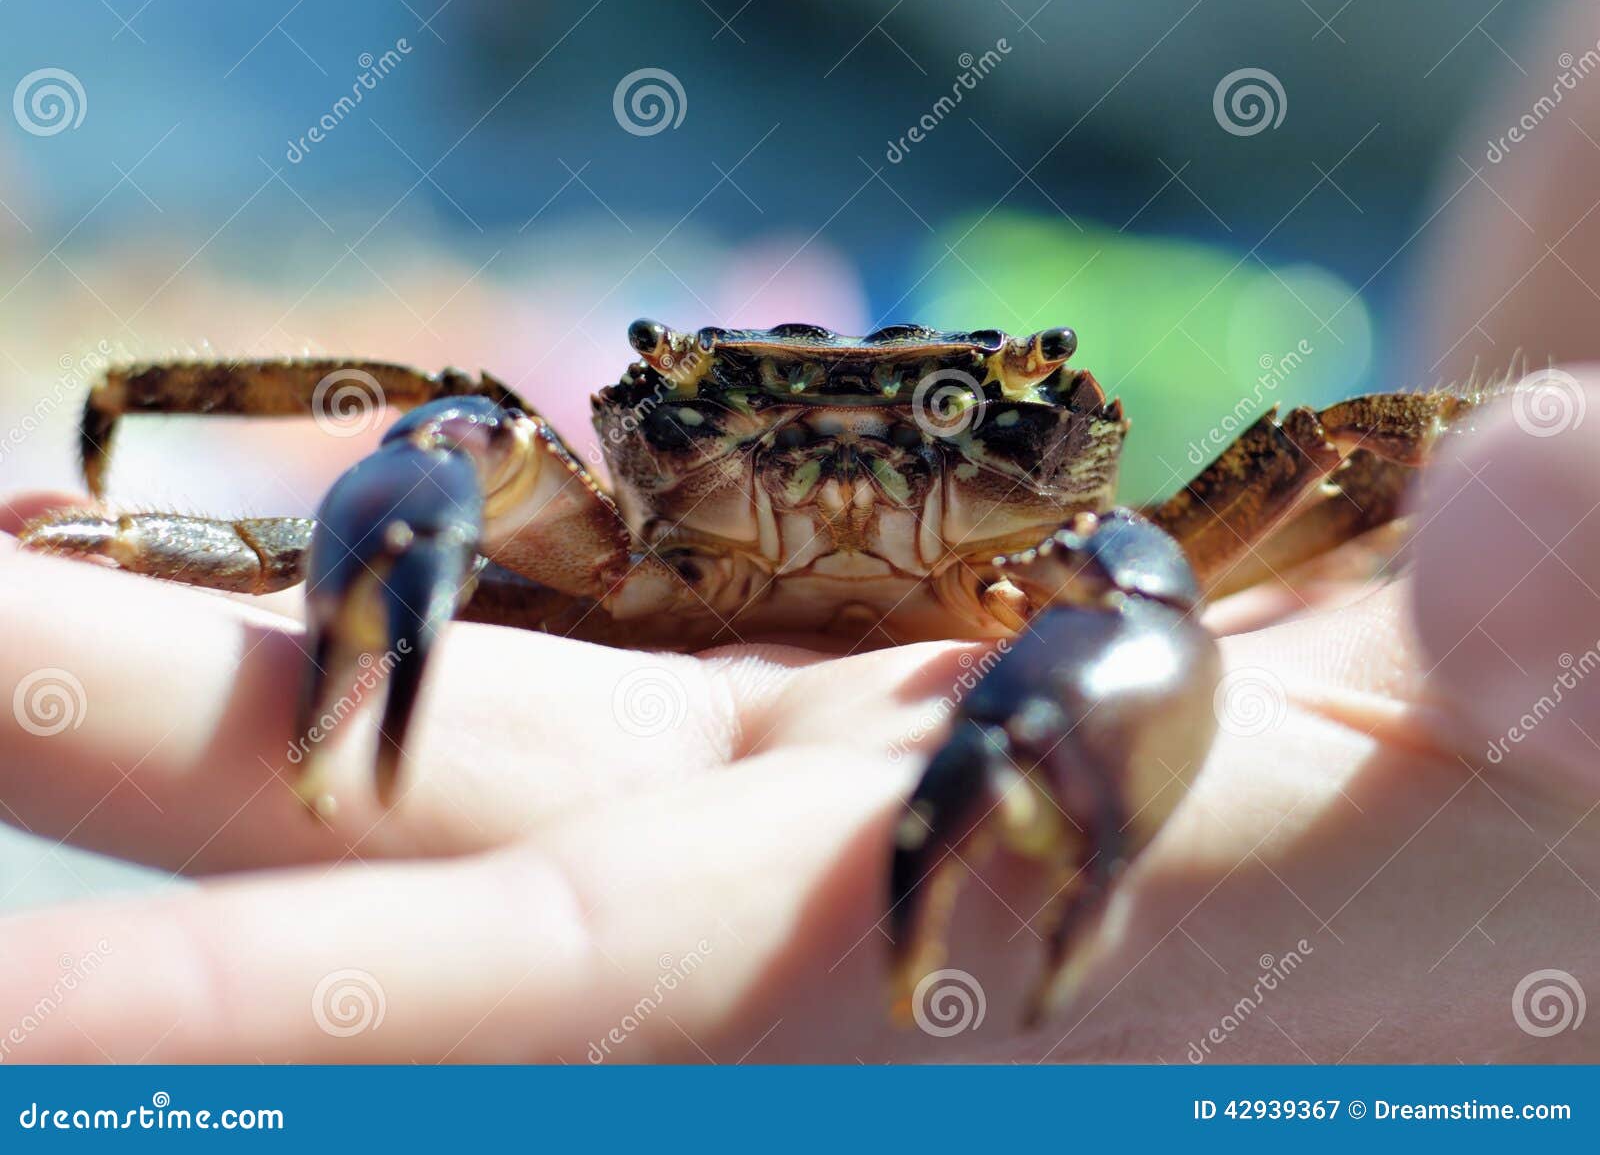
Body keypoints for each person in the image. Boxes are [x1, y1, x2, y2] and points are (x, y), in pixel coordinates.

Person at [0, 383, 1595, 1062]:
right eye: (724, 421)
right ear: (652, 410)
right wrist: (186, 542)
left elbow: (1399, 469)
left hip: (1049, 605)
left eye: (948, 433)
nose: (847, 491)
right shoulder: (577, 524)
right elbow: (446, 462)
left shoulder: (1129, 552)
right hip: (646, 577)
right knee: (454, 423)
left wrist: (1418, 605)